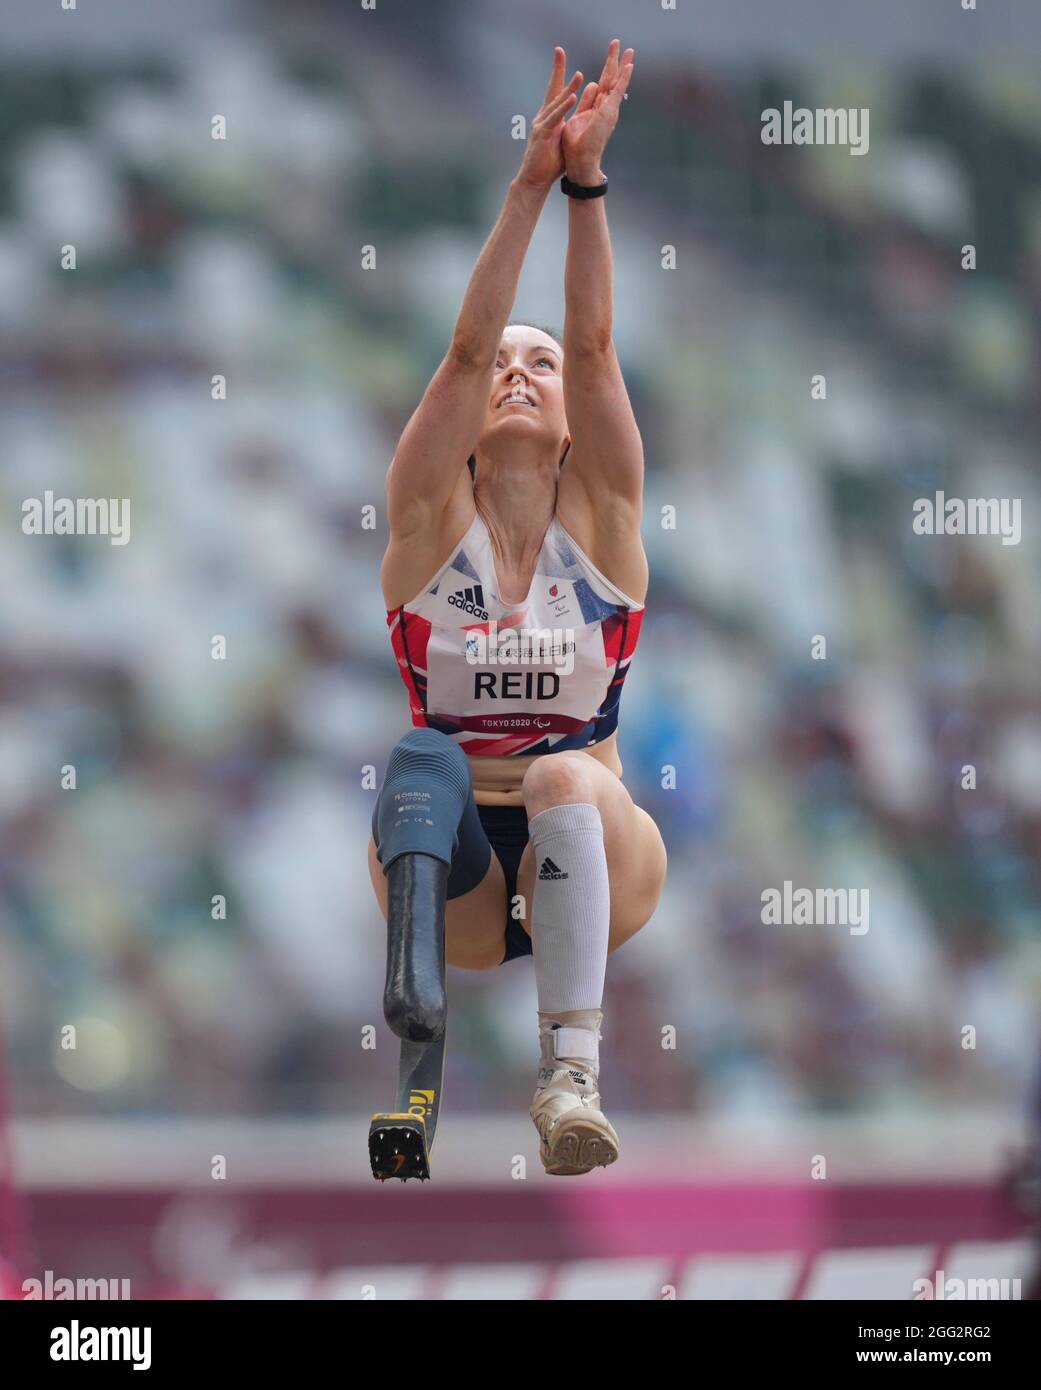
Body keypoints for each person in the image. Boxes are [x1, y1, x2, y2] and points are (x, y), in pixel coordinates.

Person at [368, 40, 667, 1176]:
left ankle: (570, 1076)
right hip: (458, 875)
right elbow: (456, 353)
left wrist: (583, 186)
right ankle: (415, 1073)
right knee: (417, 762)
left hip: (595, 839)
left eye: (538, 365)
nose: (520, 372)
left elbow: (594, 344)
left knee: (553, 776)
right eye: (507, 362)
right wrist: (525, 184)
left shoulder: (603, 520)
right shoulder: (424, 530)